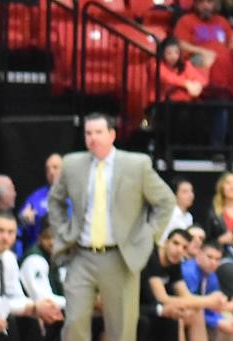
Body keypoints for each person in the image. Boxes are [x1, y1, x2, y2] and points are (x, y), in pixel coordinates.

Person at [48, 113, 177, 341]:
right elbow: (55, 201)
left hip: (120, 256)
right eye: (88, 133)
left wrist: (149, 236)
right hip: (81, 254)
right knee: (74, 320)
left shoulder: (136, 164)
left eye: (98, 132)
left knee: (121, 328)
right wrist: (62, 231)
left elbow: (166, 201)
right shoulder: (72, 164)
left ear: (112, 134)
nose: (93, 138)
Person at [0, 208, 54, 341]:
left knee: (32, 319)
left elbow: (15, 293)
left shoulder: (9, 257)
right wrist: (32, 307)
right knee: (9, 319)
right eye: (0, 231)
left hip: (2, 308)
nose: (5, 237)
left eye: (10, 232)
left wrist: (34, 309)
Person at [143, 228, 206, 341]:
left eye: (184, 247)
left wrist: (202, 304)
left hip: (160, 308)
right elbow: (162, 298)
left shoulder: (175, 262)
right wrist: (210, 301)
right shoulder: (152, 257)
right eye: (176, 243)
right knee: (177, 317)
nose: (179, 250)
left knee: (196, 314)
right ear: (166, 242)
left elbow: (186, 295)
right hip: (144, 307)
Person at [174, 0, 233, 69]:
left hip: (223, 58)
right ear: (195, 4)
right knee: (209, 60)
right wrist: (203, 51)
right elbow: (180, 44)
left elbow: (232, 42)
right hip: (198, 57)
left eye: (209, 2)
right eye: (201, 2)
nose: (205, 5)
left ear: (214, 4)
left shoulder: (222, 21)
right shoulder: (186, 20)